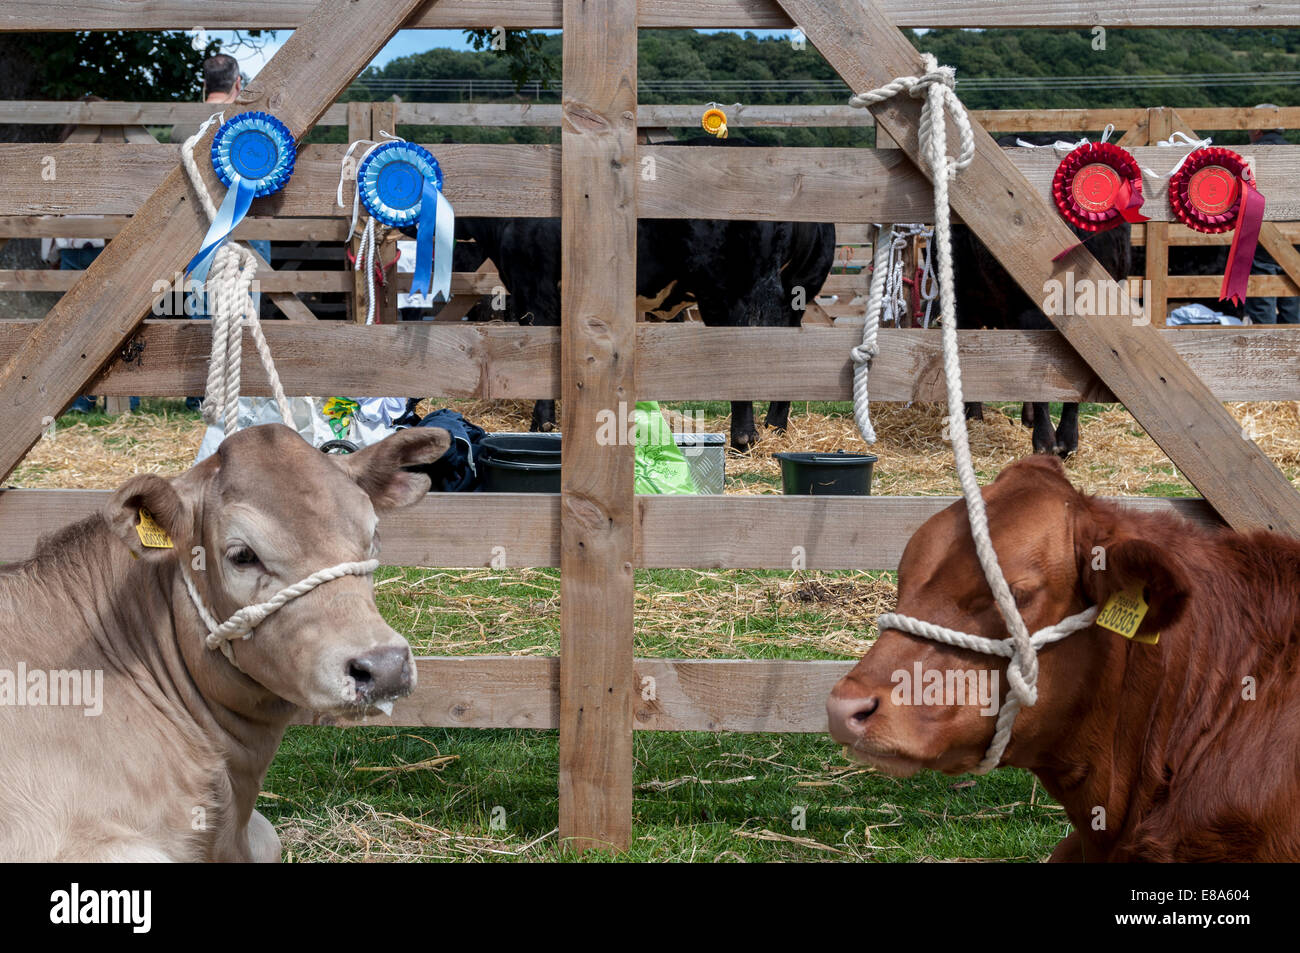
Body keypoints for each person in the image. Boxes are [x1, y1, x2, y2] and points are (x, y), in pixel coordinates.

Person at [176, 54, 274, 409]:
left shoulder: (181, 124)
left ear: (205, 83)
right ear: (237, 82)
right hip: (246, 228)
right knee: (244, 306)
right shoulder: (251, 124)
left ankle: (200, 393)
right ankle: (239, 389)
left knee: (199, 305)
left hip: (195, 229)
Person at [1243, 105, 1298, 325]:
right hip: (1296, 233)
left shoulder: (1251, 155)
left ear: (1257, 130)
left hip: (1262, 236)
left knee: (1262, 294)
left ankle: (1265, 347)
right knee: (1293, 292)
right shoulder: (1295, 152)